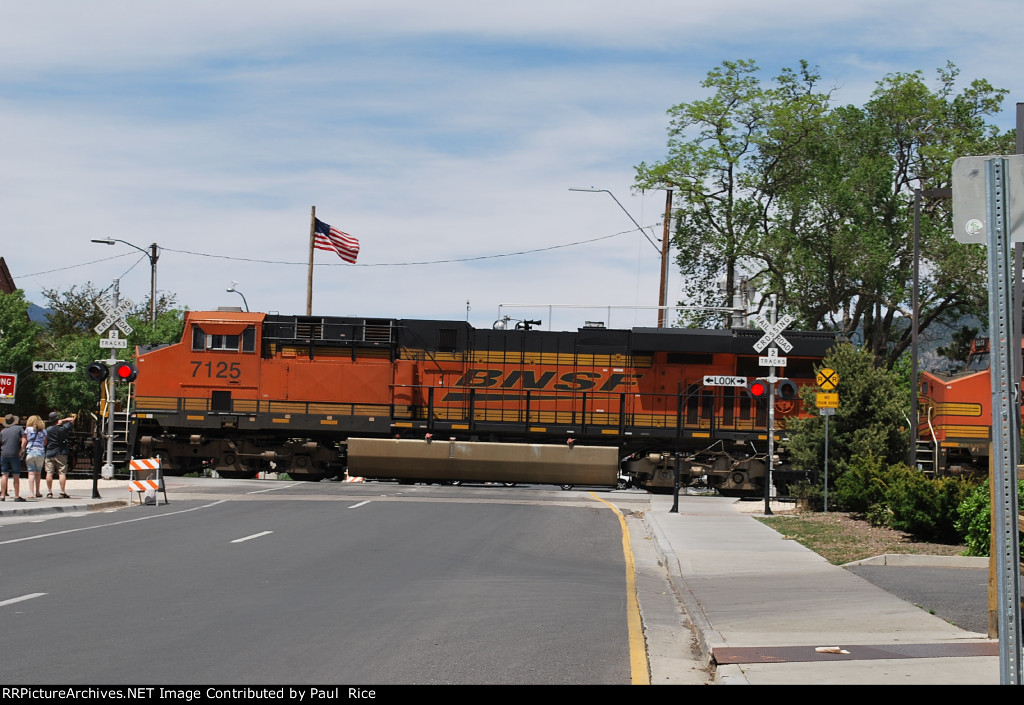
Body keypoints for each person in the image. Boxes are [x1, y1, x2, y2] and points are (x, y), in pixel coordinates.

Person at [44, 411, 76, 499]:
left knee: (49, 472)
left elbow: (45, 441)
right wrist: (64, 420)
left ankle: (49, 492)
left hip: (50, 451)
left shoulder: (48, 429)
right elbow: (72, 420)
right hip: (61, 452)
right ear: (58, 419)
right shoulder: (64, 428)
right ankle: (62, 492)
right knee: (62, 472)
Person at [1, 413, 27, 502]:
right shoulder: (19, 428)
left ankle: (2, 495)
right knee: (16, 475)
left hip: (4, 454)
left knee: (4, 474)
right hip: (14, 454)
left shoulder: (3, 431)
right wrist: (21, 450)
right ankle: (16, 496)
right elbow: (24, 440)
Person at [23, 415, 46, 498]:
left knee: (31, 473)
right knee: (38, 473)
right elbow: (45, 442)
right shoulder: (44, 431)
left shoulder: (28, 429)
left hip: (31, 452)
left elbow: (25, 440)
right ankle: (38, 492)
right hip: (40, 452)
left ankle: (31, 493)